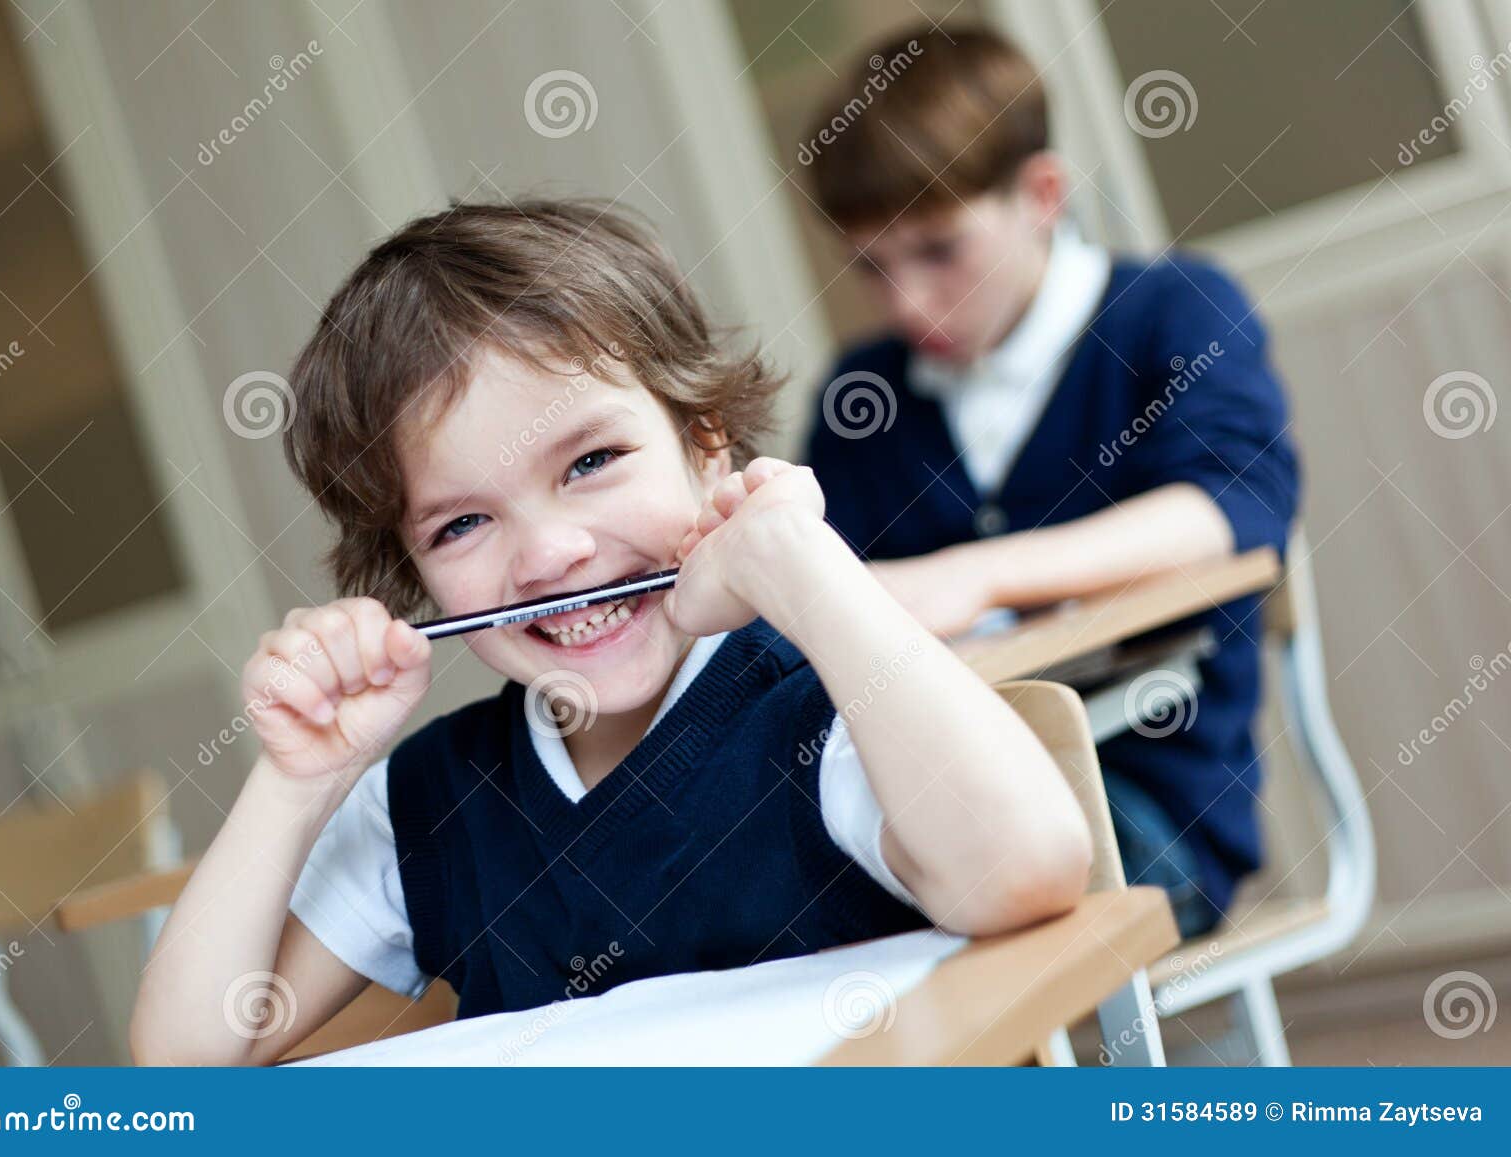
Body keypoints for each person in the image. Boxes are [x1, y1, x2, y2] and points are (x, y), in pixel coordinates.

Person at [128, 199, 1091, 1064]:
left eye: (590, 461)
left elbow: (1028, 868)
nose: (549, 555)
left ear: (706, 447)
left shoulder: (830, 713)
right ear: (415, 574)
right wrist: (298, 780)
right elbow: (183, 1057)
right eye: (461, 524)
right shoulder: (431, 804)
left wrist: (805, 569)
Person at [802, 26, 1298, 937]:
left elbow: (1231, 506)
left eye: (940, 250)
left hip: (1140, 806)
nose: (908, 303)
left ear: (1042, 194)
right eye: (872, 267)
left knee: (926, 907)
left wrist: (978, 575)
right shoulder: (862, 394)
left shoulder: (1173, 312)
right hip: (935, 802)